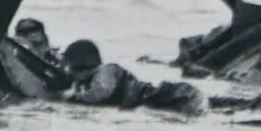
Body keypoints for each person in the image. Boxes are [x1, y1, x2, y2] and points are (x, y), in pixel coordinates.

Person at [61, 39, 206, 116]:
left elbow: (100, 92)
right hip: (180, 97)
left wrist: (73, 97)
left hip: (183, 96)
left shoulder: (107, 70)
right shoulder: (100, 74)